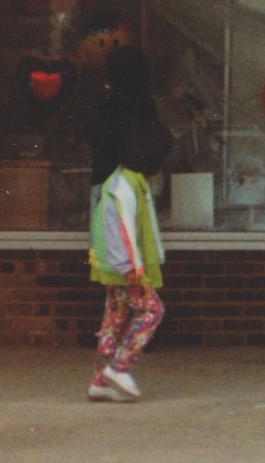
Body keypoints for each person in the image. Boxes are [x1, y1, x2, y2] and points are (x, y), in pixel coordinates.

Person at [87, 122, 173, 402]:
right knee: (153, 310)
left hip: (114, 267)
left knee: (114, 318)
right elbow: (123, 228)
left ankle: (100, 380)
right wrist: (133, 266)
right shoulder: (126, 186)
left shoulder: (125, 181)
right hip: (125, 268)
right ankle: (120, 367)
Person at [86, 45, 160, 208]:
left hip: (106, 177)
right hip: (138, 180)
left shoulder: (108, 106)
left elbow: (92, 135)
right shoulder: (147, 105)